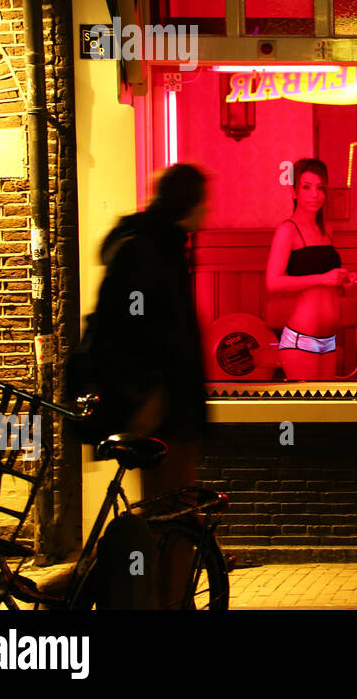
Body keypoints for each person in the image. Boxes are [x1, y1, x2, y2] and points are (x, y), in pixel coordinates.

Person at [92, 163, 211, 607]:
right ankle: (166, 600)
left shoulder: (155, 243)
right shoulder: (153, 250)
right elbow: (138, 328)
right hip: (165, 409)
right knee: (173, 515)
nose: (208, 211)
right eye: (204, 202)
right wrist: (151, 391)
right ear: (190, 204)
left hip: (163, 404)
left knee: (166, 516)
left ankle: (163, 597)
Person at [266, 158, 357, 382]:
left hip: (329, 336)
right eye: (306, 187)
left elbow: (326, 276)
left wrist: (342, 279)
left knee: (326, 412)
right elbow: (273, 282)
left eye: (320, 188)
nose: (314, 194)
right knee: (307, 412)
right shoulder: (287, 230)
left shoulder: (326, 229)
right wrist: (323, 279)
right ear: (294, 192)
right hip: (301, 337)